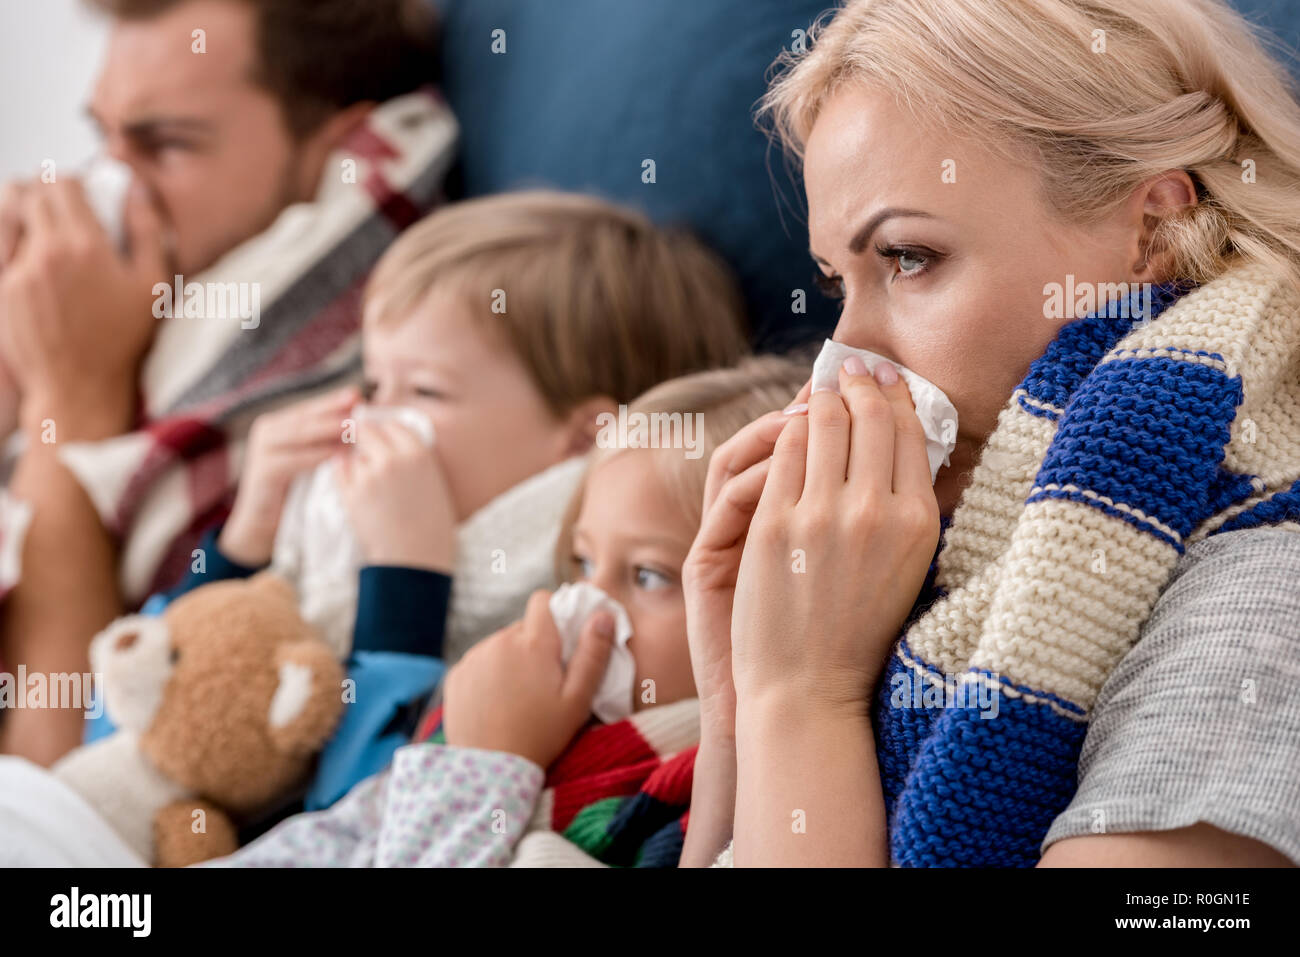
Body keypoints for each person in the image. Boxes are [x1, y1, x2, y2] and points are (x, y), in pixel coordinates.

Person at [683, 0, 1300, 867]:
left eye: (906, 257)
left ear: (1151, 230)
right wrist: (739, 703)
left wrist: (804, 698)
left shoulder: (1268, 589)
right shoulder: (947, 561)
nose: (846, 357)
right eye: (836, 284)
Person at [152, 189, 750, 812]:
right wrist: (243, 545)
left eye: (426, 391)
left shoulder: (567, 607)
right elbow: (132, 705)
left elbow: (363, 823)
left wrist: (408, 583)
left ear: (582, 441)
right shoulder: (329, 549)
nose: (377, 416)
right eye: (376, 383)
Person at [0, 0, 453, 765]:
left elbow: (50, 781)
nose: (113, 189)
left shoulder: (319, 388)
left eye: (167, 145)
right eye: (102, 140)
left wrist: (72, 397)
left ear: (334, 148)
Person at [195, 356, 812, 866]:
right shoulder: (523, 709)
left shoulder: (699, 808)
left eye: (647, 575)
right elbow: (338, 836)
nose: (587, 604)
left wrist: (482, 764)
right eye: (581, 561)